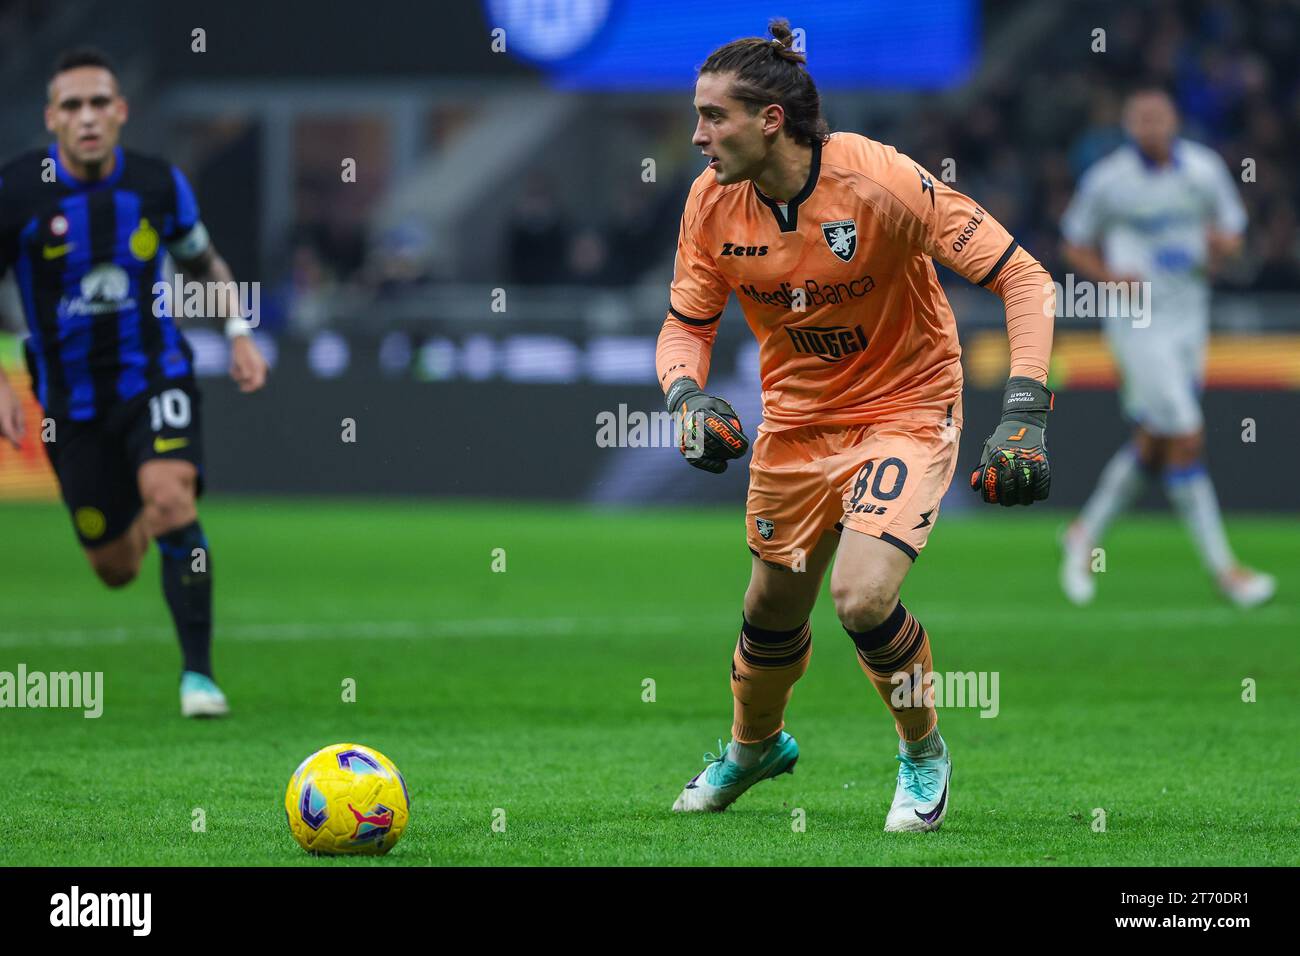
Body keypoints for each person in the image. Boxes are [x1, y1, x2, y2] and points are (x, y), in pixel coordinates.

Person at [658, 21, 1055, 831]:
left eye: (712, 117)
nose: (697, 136)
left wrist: (1024, 411)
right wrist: (685, 398)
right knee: (771, 608)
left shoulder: (879, 180)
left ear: (770, 120)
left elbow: (1024, 277)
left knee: (861, 598)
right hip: (798, 424)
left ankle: (923, 756)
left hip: (905, 408)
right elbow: (685, 325)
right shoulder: (709, 202)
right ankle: (753, 747)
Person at [0, 48, 269, 715]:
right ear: (51, 119)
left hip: (156, 376)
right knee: (114, 567)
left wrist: (237, 331)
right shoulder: (16, 193)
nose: (87, 117)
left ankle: (199, 677)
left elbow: (203, 262)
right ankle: (144, 522)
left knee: (174, 498)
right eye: (72, 105)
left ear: (121, 111)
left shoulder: (158, 184)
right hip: (70, 403)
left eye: (99, 103)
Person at [1059, 86, 1273, 608]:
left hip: (1188, 319)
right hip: (1137, 322)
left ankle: (1084, 533)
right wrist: (1109, 277)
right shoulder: (1109, 180)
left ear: (1174, 119)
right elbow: (1073, 241)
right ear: (1129, 125)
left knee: (1156, 442)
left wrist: (1225, 247)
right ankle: (1226, 572)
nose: (1150, 126)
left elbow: (1234, 234)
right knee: (1187, 432)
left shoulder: (1203, 171)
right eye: (1140, 118)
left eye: (1158, 117)